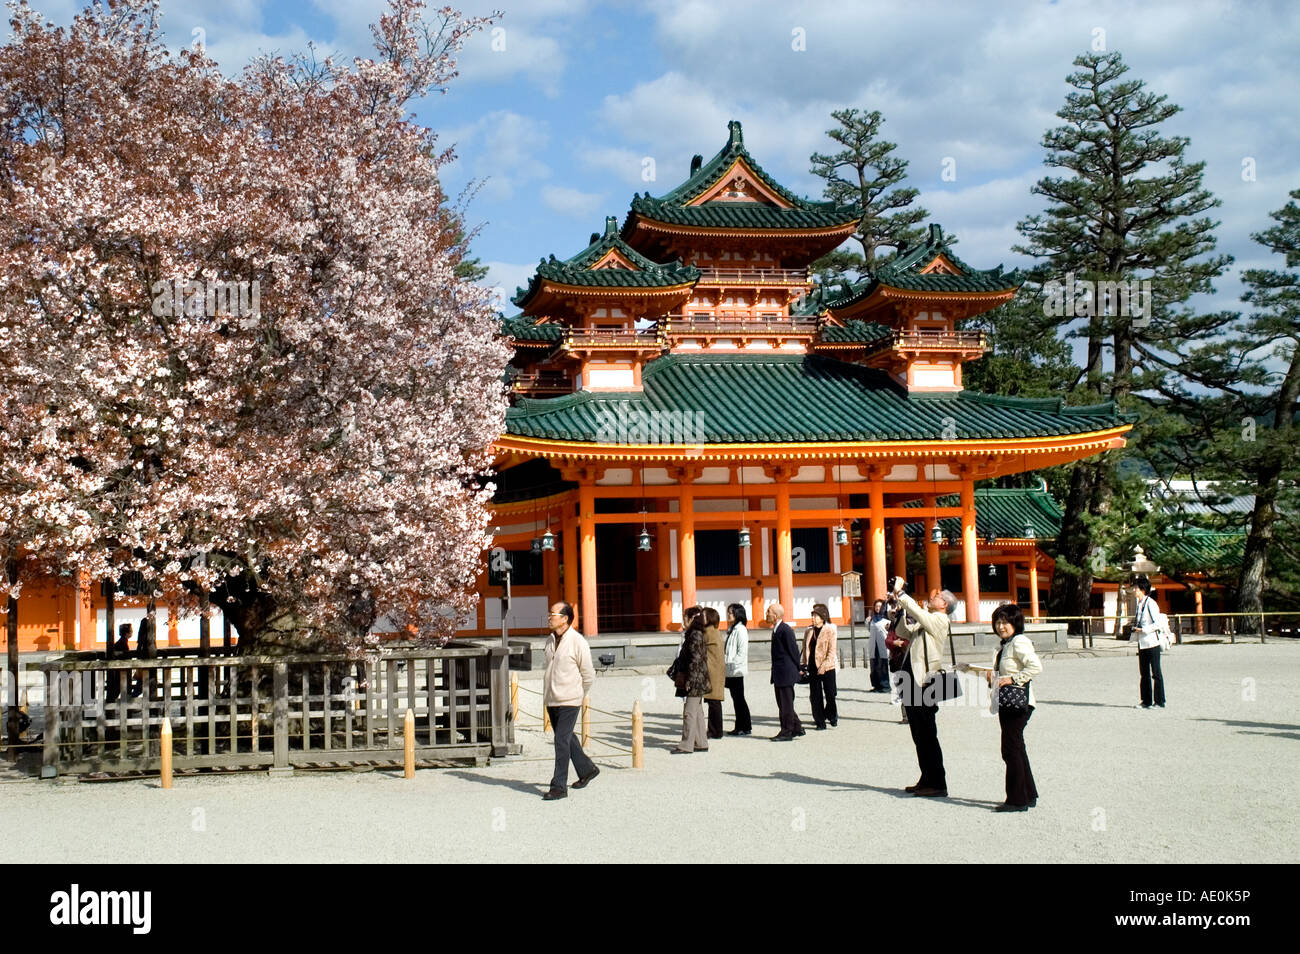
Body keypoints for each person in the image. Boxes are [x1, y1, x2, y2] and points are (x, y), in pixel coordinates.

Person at [889, 578, 956, 797]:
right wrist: (898, 610)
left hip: (925, 683)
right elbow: (903, 631)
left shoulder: (940, 620)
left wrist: (901, 593)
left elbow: (919, 614)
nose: (932, 596)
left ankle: (938, 783)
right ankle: (926, 777)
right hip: (912, 681)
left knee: (927, 733)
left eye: (937, 596)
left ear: (944, 604)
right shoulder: (927, 621)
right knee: (918, 734)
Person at [985, 603, 1042, 812]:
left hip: (1019, 703)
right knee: (1017, 748)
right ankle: (1028, 794)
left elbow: (1035, 666)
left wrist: (1013, 679)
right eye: (997, 622)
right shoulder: (1005, 645)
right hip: (1008, 702)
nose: (1000, 626)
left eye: (1005, 622)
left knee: (1010, 749)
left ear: (1015, 623)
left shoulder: (1019, 642)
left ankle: (1016, 799)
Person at [541, 602, 598, 800]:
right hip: (552, 698)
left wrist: (579, 693)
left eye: (553, 614)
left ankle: (558, 786)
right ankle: (587, 769)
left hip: (570, 699)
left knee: (560, 740)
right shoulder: (549, 640)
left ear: (565, 618)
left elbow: (588, 673)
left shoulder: (578, 641)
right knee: (566, 738)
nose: (549, 617)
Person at [672, 610, 711, 753]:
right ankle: (701, 742)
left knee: (689, 712)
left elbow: (695, 661)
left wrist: (690, 680)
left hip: (695, 679)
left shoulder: (694, 635)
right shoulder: (697, 634)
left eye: (685, 618)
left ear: (691, 619)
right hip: (699, 678)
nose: (684, 621)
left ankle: (686, 744)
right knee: (697, 711)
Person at [766, 603, 804, 741]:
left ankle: (786, 731)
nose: (766, 613)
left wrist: (798, 668)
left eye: (768, 611)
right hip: (779, 672)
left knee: (786, 704)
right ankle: (796, 727)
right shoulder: (776, 629)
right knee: (782, 703)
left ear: (775, 615)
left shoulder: (785, 629)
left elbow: (793, 650)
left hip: (786, 672)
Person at [801, 602, 839, 729]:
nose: (813, 618)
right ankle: (819, 721)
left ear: (823, 618)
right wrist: (803, 665)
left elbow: (832, 651)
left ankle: (832, 715)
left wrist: (824, 665)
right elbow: (805, 648)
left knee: (830, 693)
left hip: (827, 667)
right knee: (815, 695)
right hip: (812, 666)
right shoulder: (809, 631)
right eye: (812, 616)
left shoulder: (830, 630)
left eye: (816, 616)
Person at [1132, 577, 1167, 709]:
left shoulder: (1151, 603)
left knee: (1156, 673)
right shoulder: (1139, 604)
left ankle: (1159, 701)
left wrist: (1143, 629)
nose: (1134, 590)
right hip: (1142, 642)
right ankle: (1146, 701)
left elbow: (1158, 624)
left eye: (1136, 588)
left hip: (1152, 642)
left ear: (1142, 590)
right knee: (1144, 673)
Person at [724, 603, 752, 735]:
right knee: (736, 698)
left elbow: (742, 651)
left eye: (730, 612)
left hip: (736, 670)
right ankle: (741, 725)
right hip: (730, 669)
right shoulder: (732, 629)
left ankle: (744, 726)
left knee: (739, 698)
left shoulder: (740, 630)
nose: (728, 615)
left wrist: (733, 664)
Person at [702, 607, 726, 739]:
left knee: (714, 702)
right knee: (713, 702)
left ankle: (715, 730)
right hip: (715, 669)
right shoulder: (714, 631)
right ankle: (714, 729)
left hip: (712, 670)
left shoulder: (708, 632)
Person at [868, 599, 892, 692]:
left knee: (882, 666)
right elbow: (869, 630)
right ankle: (876, 685)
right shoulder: (871, 619)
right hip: (873, 646)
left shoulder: (887, 620)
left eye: (880, 606)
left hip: (882, 645)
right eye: (876, 606)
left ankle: (885, 686)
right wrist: (868, 621)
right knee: (874, 666)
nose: (878, 608)